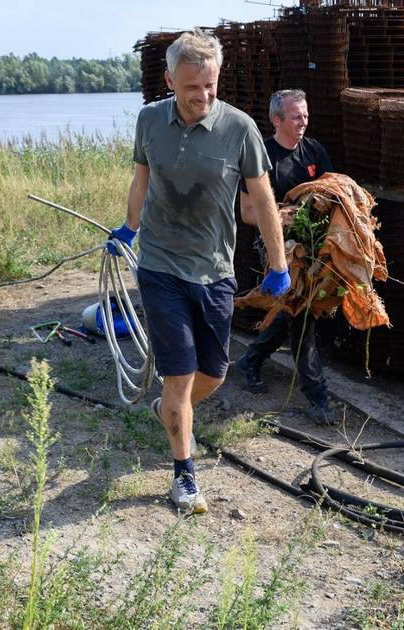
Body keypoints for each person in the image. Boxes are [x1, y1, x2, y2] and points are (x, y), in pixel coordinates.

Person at [106, 29, 290, 514]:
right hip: (160, 266)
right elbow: (141, 178)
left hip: (214, 270)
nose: (203, 96)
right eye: (192, 88)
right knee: (181, 376)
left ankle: (169, 409)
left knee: (214, 373)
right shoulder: (149, 121)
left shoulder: (241, 129)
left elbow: (264, 199)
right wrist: (128, 228)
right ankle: (184, 476)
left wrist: (279, 263)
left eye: (210, 85)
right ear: (170, 80)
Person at [236, 89, 336, 424]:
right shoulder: (261, 156)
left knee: (295, 306)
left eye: (305, 115)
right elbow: (249, 212)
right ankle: (317, 393)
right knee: (301, 307)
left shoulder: (314, 151)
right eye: (296, 116)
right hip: (276, 245)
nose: (303, 122)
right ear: (276, 120)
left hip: (312, 241)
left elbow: (330, 194)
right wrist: (285, 217)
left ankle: (252, 358)